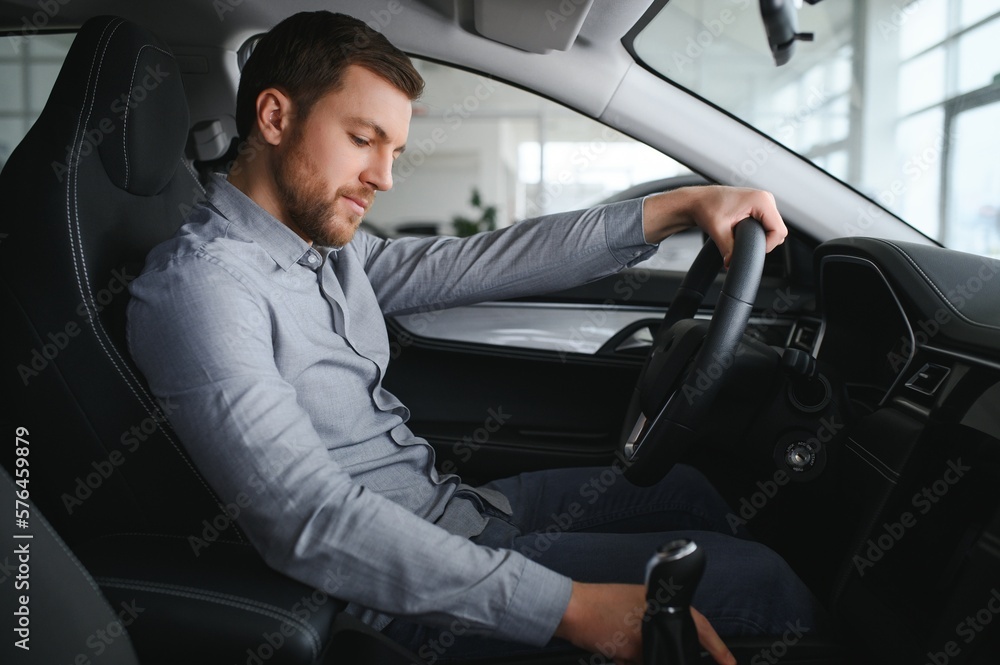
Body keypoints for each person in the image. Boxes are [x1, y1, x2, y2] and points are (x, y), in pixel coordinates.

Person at [127, 11, 821, 665]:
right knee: (762, 585)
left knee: (691, 490)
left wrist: (681, 207)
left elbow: (485, 258)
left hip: (459, 510)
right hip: (398, 597)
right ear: (275, 116)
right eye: (363, 140)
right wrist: (573, 608)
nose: (384, 177)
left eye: (394, 150)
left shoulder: (328, 253)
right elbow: (307, 520)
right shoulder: (203, 288)